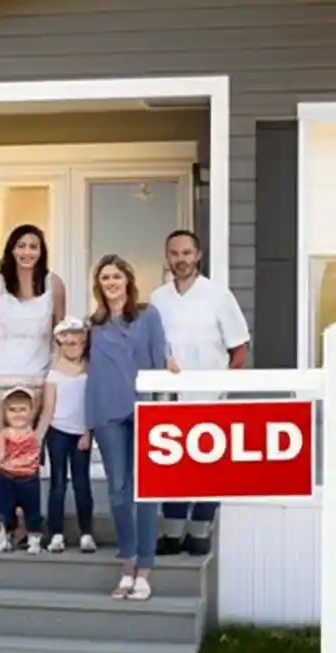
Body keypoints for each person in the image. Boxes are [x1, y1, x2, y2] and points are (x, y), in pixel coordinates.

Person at [149, 230, 250, 557]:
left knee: (207, 468)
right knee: (173, 468)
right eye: (174, 253)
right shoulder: (158, 299)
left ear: (198, 255)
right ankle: (174, 533)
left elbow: (239, 348)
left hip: (209, 395)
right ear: (168, 257)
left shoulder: (218, 296)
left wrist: (226, 388)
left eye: (187, 253)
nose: (181, 259)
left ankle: (200, 531)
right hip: (170, 396)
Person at [85, 254, 175, 601]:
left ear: (127, 280)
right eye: (105, 277)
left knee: (145, 490)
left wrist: (168, 361)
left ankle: (145, 569)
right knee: (119, 490)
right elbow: (78, 364)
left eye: (116, 276)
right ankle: (128, 561)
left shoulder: (148, 315)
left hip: (144, 410)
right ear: (99, 285)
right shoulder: (93, 324)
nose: (111, 283)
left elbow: (159, 354)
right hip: (107, 413)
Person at [0, 224, 66, 545]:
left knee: (29, 457)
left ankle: (26, 523)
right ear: (11, 249)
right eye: (21, 245)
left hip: (38, 381)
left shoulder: (54, 285)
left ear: (42, 251)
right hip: (1, 380)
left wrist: (57, 373)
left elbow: (60, 331)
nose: (27, 252)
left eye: (34, 246)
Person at [35, 316, 96, 554]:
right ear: (60, 344)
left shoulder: (90, 370)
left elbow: (92, 403)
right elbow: (48, 409)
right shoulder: (53, 374)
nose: (72, 346)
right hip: (58, 432)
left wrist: (88, 431)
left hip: (81, 433)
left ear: (84, 343)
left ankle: (86, 533)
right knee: (57, 483)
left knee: (82, 484)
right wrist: (38, 437)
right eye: (67, 343)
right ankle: (56, 533)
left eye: (77, 342)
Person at [0, 387, 44, 554]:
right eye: (12, 410)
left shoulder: (32, 435)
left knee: (32, 510)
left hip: (29, 478)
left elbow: (36, 455)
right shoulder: (4, 434)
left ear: (31, 412)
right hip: (7, 476)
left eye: (23, 410)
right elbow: (0, 455)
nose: (18, 414)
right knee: (4, 508)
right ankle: (4, 536)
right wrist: (5, 459)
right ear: (5, 413)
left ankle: (34, 538)